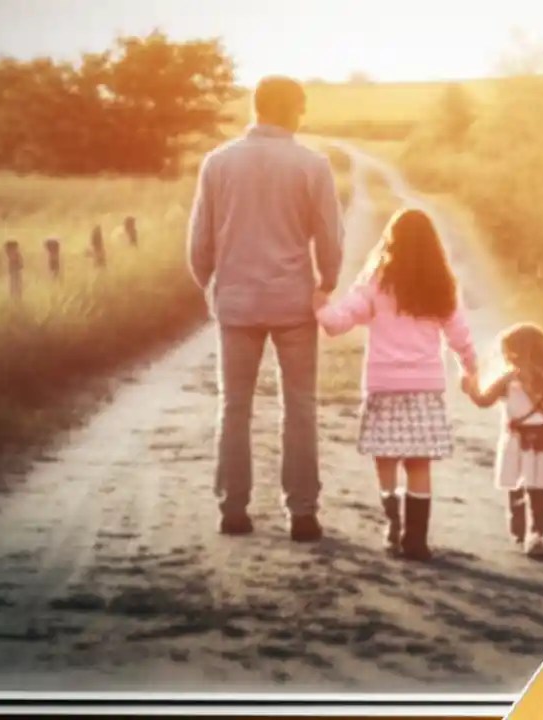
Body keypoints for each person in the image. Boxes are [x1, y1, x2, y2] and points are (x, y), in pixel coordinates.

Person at [187, 75, 344, 542]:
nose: (303, 115)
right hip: (293, 302)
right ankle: (303, 513)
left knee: (234, 407)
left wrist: (212, 285)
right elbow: (329, 237)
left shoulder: (217, 163)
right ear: (287, 107)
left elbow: (200, 240)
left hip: (236, 303)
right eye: (301, 106)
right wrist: (327, 282)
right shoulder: (312, 165)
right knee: (300, 407)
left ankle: (232, 509)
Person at [316, 207, 478, 561]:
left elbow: (341, 320)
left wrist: (321, 309)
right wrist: (470, 367)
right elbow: (459, 335)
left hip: (384, 384)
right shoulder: (441, 284)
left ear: (391, 241)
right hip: (424, 386)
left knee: (385, 457)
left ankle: (392, 525)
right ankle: (415, 539)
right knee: (419, 464)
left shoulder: (377, 280)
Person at [463, 323, 543, 558]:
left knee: (529, 484)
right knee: (526, 486)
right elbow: (484, 400)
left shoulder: (530, 379)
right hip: (533, 439)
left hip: (534, 440)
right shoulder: (531, 378)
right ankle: (527, 530)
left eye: (511, 353)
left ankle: (530, 532)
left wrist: (470, 387)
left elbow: (483, 401)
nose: (509, 358)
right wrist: (471, 387)